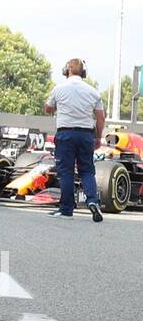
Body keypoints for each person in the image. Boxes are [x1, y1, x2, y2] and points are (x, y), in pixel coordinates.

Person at [45, 59, 105, 221]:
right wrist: (98, 137)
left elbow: (48, 109)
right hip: (86, 135)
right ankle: (92, 201)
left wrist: (59, 105)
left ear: (67, 71)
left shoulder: (59, 89)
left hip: (65, 134)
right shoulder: (93, 92)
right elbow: (100, 118)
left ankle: (66, 210)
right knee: (87, 171)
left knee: (66, 172)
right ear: (83, 72)